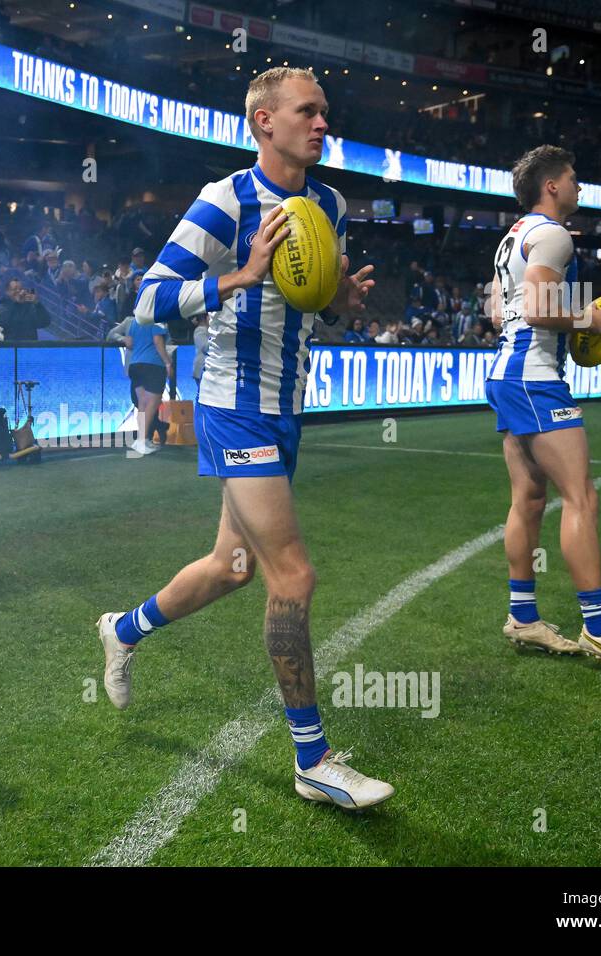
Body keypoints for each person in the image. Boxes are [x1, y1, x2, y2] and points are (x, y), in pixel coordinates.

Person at [95, 66, 391, 810]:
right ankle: (313, 759)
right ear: (264, 122)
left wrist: (342, 304)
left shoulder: (328, 202)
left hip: (285, 405)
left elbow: (319, 314)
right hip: (232, 407)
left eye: (325, 112)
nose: (322, 124)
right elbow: (150, 298)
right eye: (308, 112)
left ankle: (123, 629)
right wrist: (239, 277)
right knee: (293, 576)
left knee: (232, 567)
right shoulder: (226, 200)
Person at [486, 144, 601, 666]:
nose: (579, 187)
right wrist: (592, 322)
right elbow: (540, 310)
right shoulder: (553, 234)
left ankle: (523, 617)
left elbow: (503, 314)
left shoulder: (513, 236)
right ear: (551, 186)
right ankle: (600, 628)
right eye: (573, 178)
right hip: (534, 379)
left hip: (506, 372)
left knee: (529, 500)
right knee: (582, 497)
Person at [123, 317, 170, 455]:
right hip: (153, 365)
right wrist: (167, 362)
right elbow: (158, 340)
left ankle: (142, 440)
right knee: (151, 404)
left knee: (142, 404)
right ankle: (143, 440)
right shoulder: (158, 319)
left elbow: (130, 343)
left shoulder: (135, 321)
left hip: (135, 364)